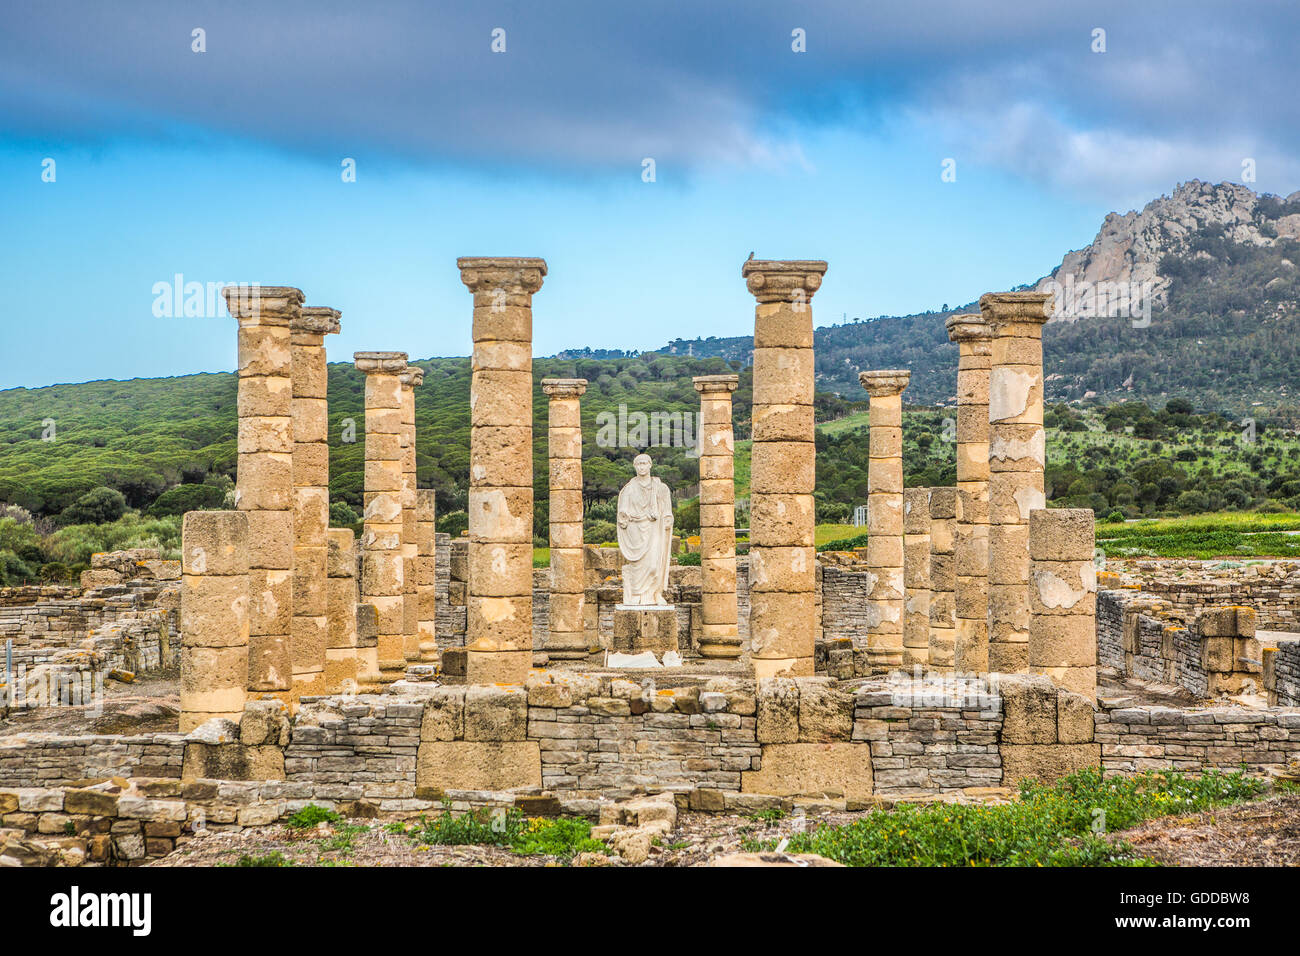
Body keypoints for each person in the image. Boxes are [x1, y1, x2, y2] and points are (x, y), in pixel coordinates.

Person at [616, 453, 674, 605]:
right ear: (635, 466)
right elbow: (622, 514)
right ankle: (636, 594)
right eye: (639, 464)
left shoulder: (661, 488)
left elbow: (667, 513)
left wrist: (664, 518)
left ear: (650, 465)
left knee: (654, 565)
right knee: (636, 565)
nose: (642, 467)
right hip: (635, 530)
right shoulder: (629, 489)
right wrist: (626, 516)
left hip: (654, 529)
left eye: (644, 463)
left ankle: (655, 593)